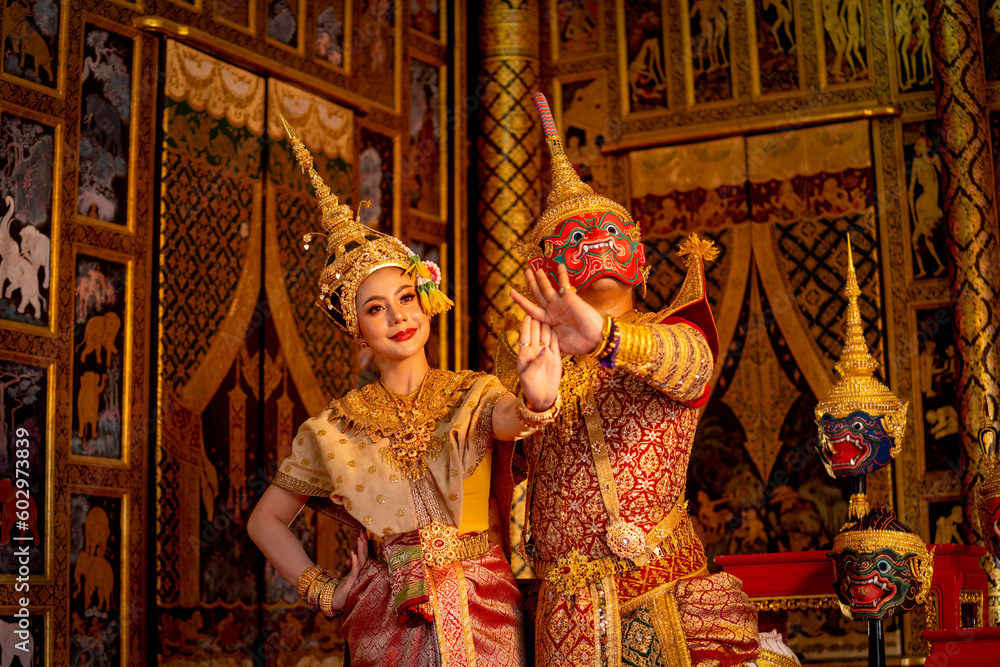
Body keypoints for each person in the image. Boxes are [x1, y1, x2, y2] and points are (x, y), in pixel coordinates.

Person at [247, 117, 562, 666]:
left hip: (483, 603)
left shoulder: (474, 393)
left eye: (406, 297)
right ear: (357, 332)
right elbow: (263, 520)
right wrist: (326, 590)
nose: (398, 316)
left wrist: (536, 396)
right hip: (386, 612)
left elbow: (513, 420)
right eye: (376, 309)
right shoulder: (335, 429)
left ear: (426, 301)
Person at [503, 93, 760, 666]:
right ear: (544, 268)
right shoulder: (528, 359)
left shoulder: (668, 336)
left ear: (641, 259)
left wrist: (606, 338)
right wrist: (531, 406)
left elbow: (691, 367)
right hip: (564, 615)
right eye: (573, 239)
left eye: (609, 232)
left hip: (662, 589)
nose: (593, 244)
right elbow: (492, 470)